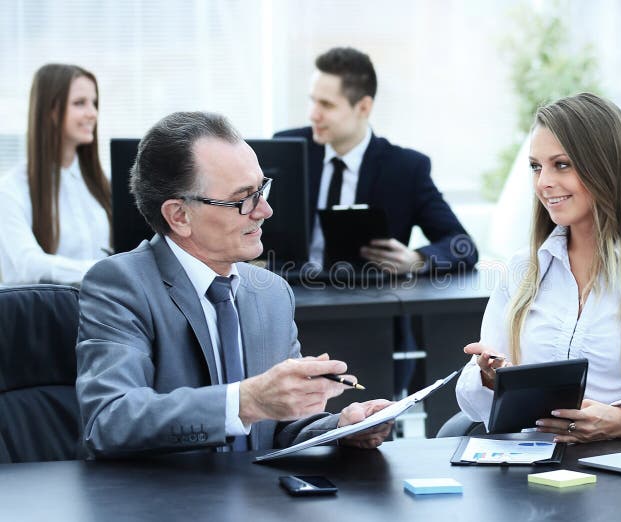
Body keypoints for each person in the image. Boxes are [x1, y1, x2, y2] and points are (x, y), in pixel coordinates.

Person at [75, 111, 392, 457]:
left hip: (257, 503)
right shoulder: (121, 285)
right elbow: (109, 420)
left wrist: (339, 429)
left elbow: (279, 428)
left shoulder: (271, 292)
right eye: (244, 199)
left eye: (262, 189)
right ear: (179, 216)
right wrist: (246, 401)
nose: (265, 210)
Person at [455, 93, 621, 442]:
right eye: (536, 166)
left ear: (606, 168)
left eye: (561, 164)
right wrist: (489, 377)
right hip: (533, 459)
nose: (543, 182)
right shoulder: (522, 267)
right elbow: (472, 401)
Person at [274, 46, 478, 274]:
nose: (313, 114)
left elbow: (463, 246)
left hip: (369, 301)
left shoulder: (406, 169)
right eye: (313, 101)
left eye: (327, 105)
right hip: (292, 294)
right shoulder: (288, 149)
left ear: (363, 107)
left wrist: (417, 259)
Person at [0, 63, 111, 284]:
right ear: (50, 111)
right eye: (80, 103)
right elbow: (28, 265)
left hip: (102, 311)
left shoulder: (103, 182)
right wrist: (104, 272)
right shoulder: (12, 189)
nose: (92, 113)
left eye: (94, 103)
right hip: (44, 314)